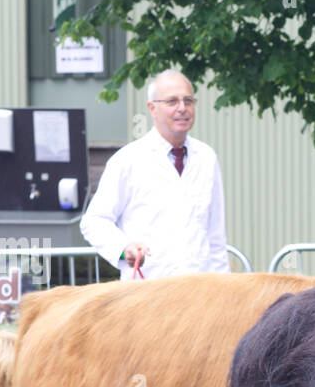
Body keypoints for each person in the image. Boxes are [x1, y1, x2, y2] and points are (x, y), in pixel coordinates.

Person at [81, 70, 229, 279]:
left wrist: (222, 288)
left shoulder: (206, 157)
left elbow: (215, 235)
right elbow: (94, 221)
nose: (182, 108)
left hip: (198, 292)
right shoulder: (128, 160)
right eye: (172, 101)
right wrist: (124, 249)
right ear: (152, 108)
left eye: (188, 100)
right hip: (149, 291)